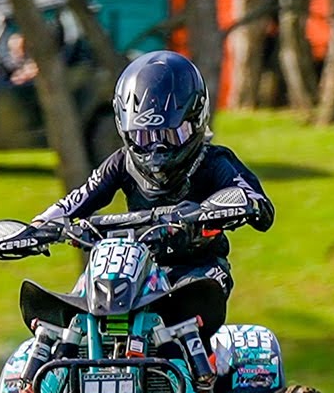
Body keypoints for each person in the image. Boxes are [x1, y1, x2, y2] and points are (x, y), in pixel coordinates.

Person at [31, 50, 274, 302]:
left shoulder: (214, 161)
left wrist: (216, 209)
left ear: (196, 121)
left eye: (171, 135)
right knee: (84, 293)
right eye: (143, 137)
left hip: (198, 269)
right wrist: (37, 227)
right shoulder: (121, 163)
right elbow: (77, 200)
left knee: (194, 294)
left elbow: (258, 205)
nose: (157, 150)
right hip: (135, 269)